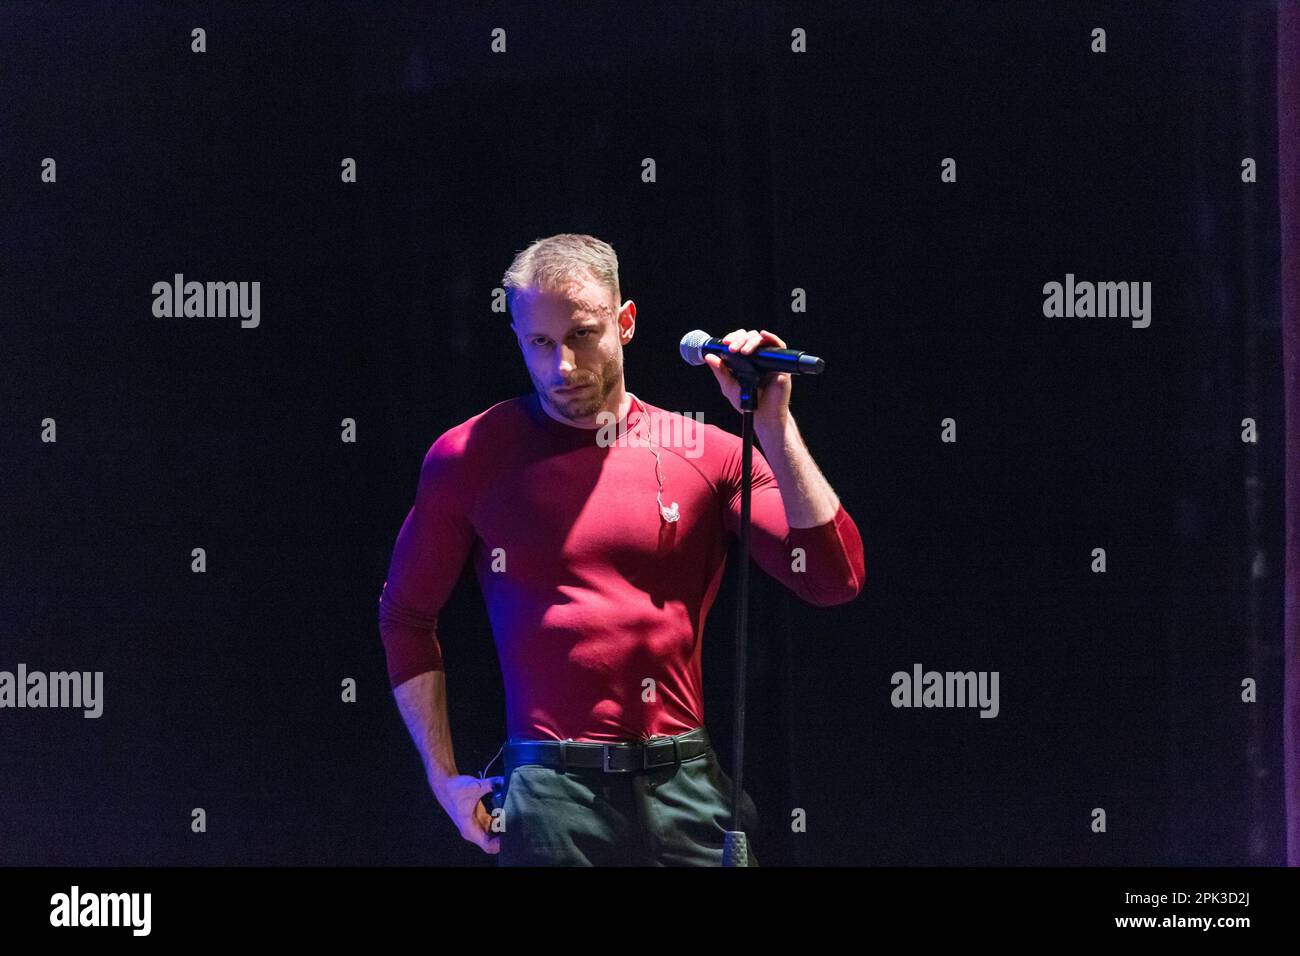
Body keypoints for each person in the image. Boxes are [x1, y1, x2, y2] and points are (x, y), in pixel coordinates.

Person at [377, 233, 866, 866]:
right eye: (540, 344)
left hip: (685, 786)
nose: (563, 368)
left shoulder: (705, 453)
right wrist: (443, 781)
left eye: (581, 335)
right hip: (551, 796)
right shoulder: (471, 457)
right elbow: (406, 617)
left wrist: (772, 424)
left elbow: (834, 578)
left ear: (624, 321)